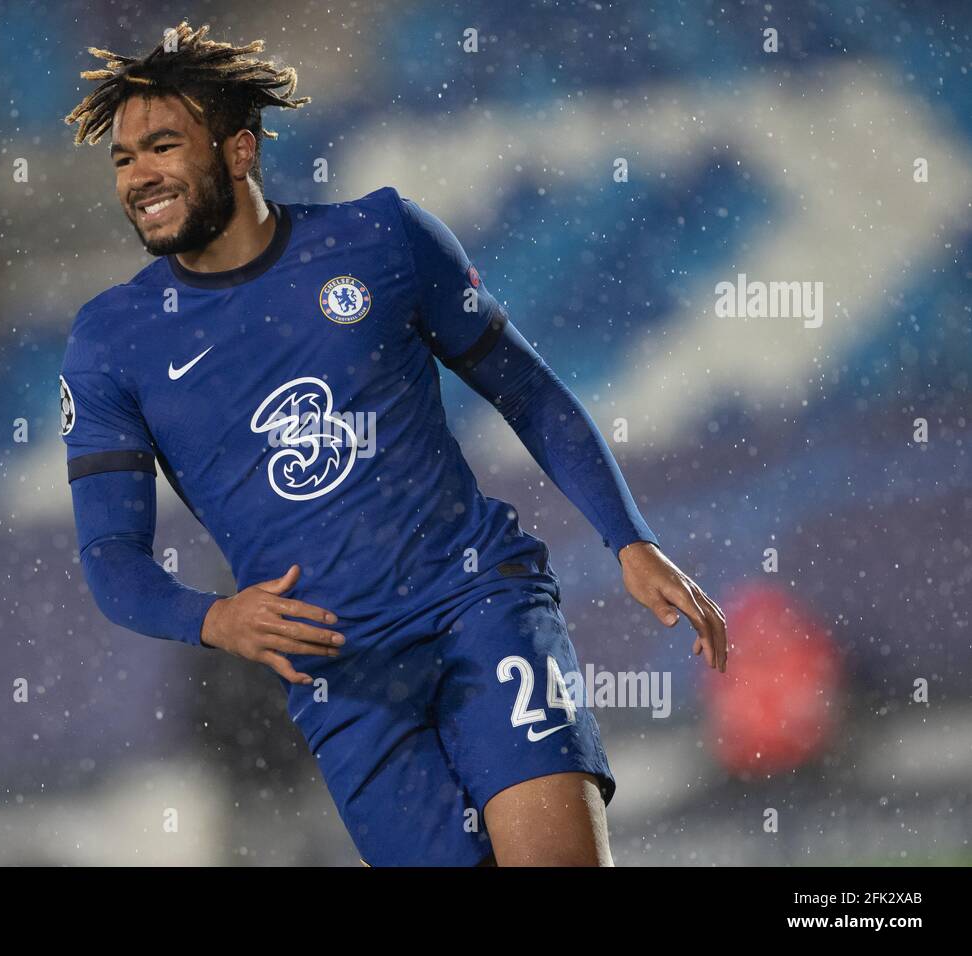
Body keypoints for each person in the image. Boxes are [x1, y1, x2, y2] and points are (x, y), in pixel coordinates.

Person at [60, 21, 728, 866]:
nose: (140, 175)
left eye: (162, 146)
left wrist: (629, 538)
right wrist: (215, 619)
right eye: (124, 159)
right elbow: (111, 557)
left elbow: (527, 391)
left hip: (479, 607)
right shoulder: (112, 340)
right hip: (341, 676)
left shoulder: (382, 238)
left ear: (238, 150)